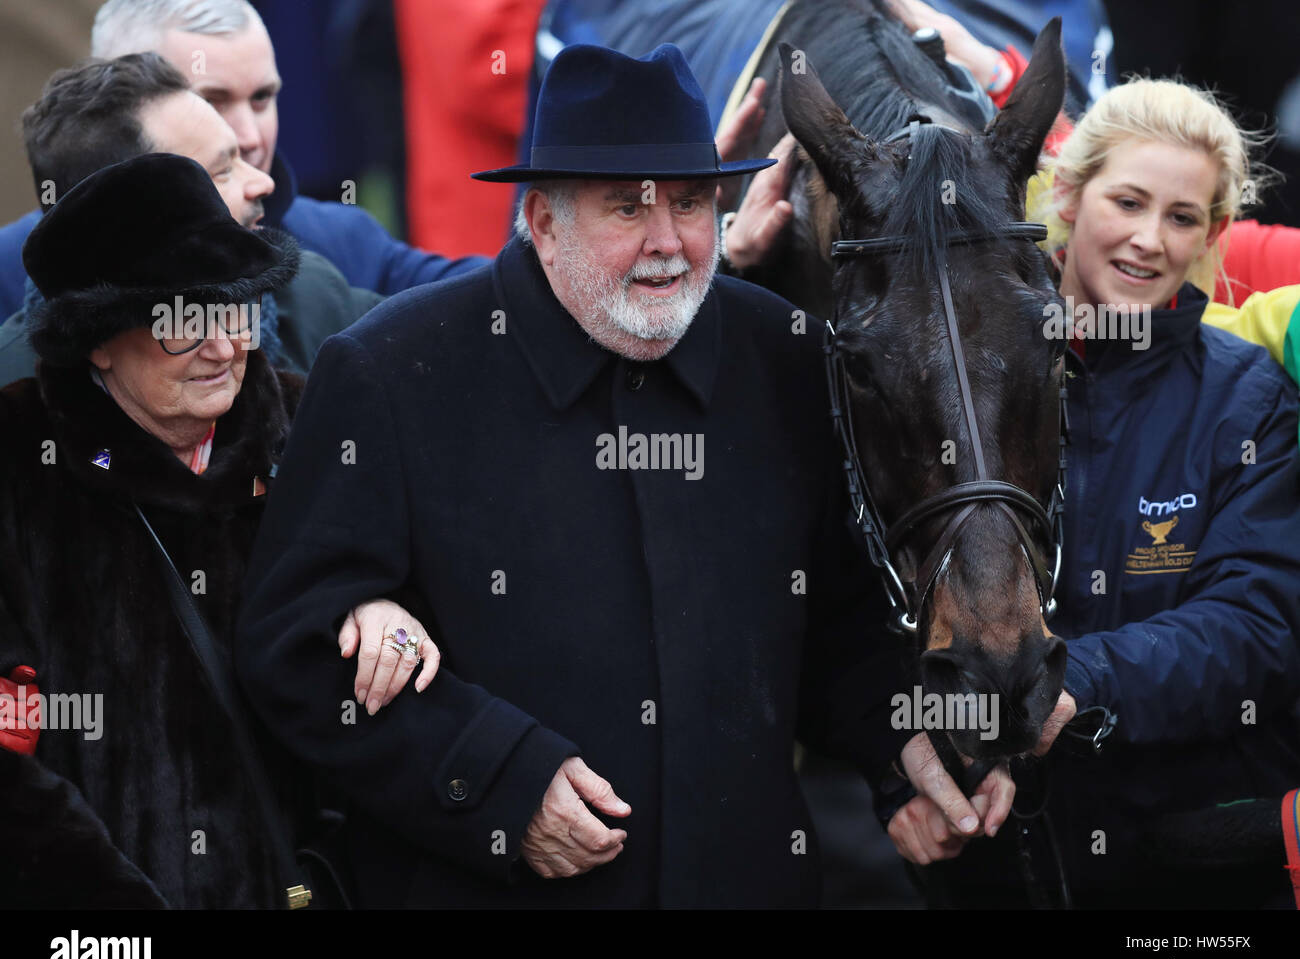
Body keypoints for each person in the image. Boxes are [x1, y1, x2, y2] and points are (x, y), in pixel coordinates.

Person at [236, 42, 1013, 908]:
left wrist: (903, 753)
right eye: (626, 208)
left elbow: (841, 624)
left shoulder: (788, 357)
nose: (669, 244)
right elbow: (295, 648)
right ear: (540, 221)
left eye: (689, 203)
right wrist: (497, 783)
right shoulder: (392, 372)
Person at [0, 153, 437, 908]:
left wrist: (387, 598)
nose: (225, 345)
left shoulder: (318, 428)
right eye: (182, 322)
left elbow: (430, 678)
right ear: (98, 340)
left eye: (235, 308)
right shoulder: (16, 460)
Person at [902, 78, 1300, 907]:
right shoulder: (972, 375)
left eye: (1182, 217)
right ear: (1071, 198)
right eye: (1128, 201)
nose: (1149, 239)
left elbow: (1258, 625)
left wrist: (1077, 677)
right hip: (994, 859)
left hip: (1186, 868)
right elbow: (874, 582)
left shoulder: (1249, 397)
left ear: (1213, 234)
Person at [0, 0, 486, 321]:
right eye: (210, 101)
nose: (250, 136)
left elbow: (485, 296)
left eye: (262, 98)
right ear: (118, 108)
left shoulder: (339, 244)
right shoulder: (16, 267)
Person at [0, 53, 382, 389]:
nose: (264, 182)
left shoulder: (317, 298)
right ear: (117, 220)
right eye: (220, 172)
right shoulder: (16, 404)